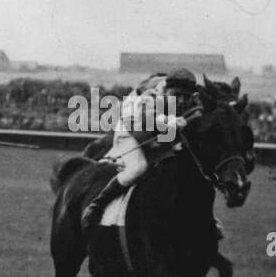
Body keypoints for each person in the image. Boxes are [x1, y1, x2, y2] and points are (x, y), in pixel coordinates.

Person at [82, 69, 199, 229]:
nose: (181, 101)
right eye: (176, 95)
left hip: (155, 137)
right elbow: (148, 119)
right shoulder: (150, 97)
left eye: (186, 97)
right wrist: (171, 121)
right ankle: (97, 205)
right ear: (166, 90)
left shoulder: (190, 102)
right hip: (130, 133)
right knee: (138, 168)